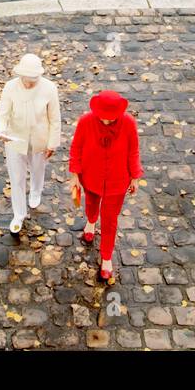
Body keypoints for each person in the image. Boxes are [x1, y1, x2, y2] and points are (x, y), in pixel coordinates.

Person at [68, 90, 142, 282]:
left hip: (118, 181)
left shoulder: (128, 124)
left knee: (110, 219)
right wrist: (75, 174)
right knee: (92, 204)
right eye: (103, 118)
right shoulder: (86, 122)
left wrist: (135, 176)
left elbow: (133, 151)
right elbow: (76, 147)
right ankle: (91, 222)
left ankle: (106, 257)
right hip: (91, 175)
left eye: (110, 119)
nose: (106, 122)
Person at [0, 53, 62, 235]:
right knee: (16, 178)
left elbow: (55, 119)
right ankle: (18, 214)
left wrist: (52, 143)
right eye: (27, 79)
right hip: (15, 141)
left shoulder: (49, 88)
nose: (30, 83)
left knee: (38, 170)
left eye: (33, 79)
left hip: (40, 140)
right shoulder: (10, 87)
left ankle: (36, 191)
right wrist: (1, 131)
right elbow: (1, 115)